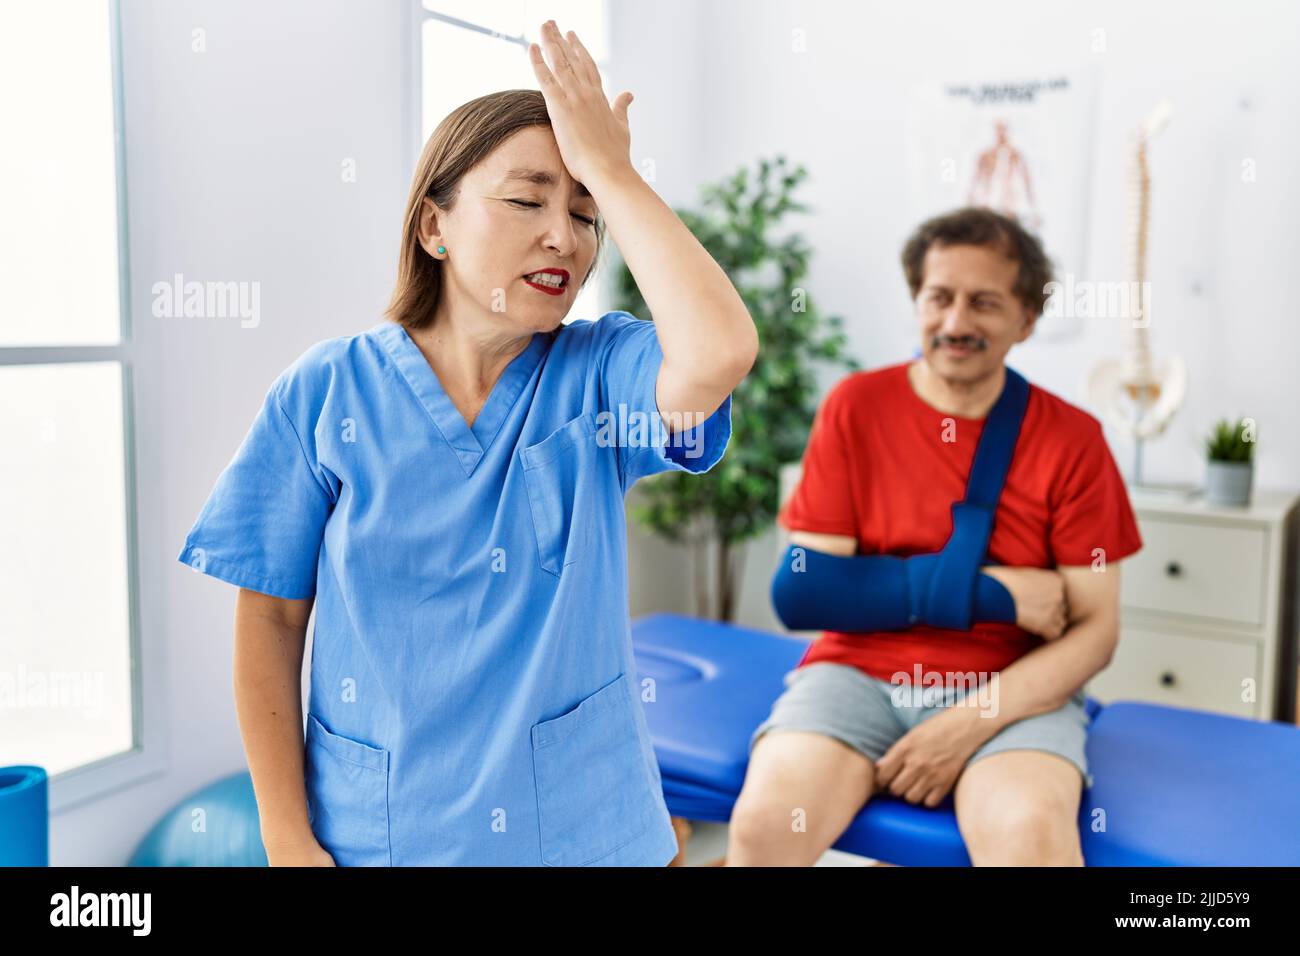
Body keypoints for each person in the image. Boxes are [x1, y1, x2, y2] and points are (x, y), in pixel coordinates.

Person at [177, 20, 757, 866]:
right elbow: (268, 615)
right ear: (433, 227)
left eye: (586, 213)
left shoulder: (601, 373)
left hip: (586, 829)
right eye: (527, 200)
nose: (565, 236)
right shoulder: (327, 392)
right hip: (386, 832)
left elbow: (719, 354)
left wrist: (616, 172)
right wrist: (283, 833)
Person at [728, 207, 1141, 866]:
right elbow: (804, 594)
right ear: (916, 300)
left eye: (984, 303)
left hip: (1010, 684)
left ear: (1026, 321)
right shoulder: (856, 407)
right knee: (764, 825)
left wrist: (966, 723)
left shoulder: (1074, 441)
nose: (955, 323)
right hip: (858, 674)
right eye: (939, 298)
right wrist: (992, 593)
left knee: (1028, 838)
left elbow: (1096, 630)